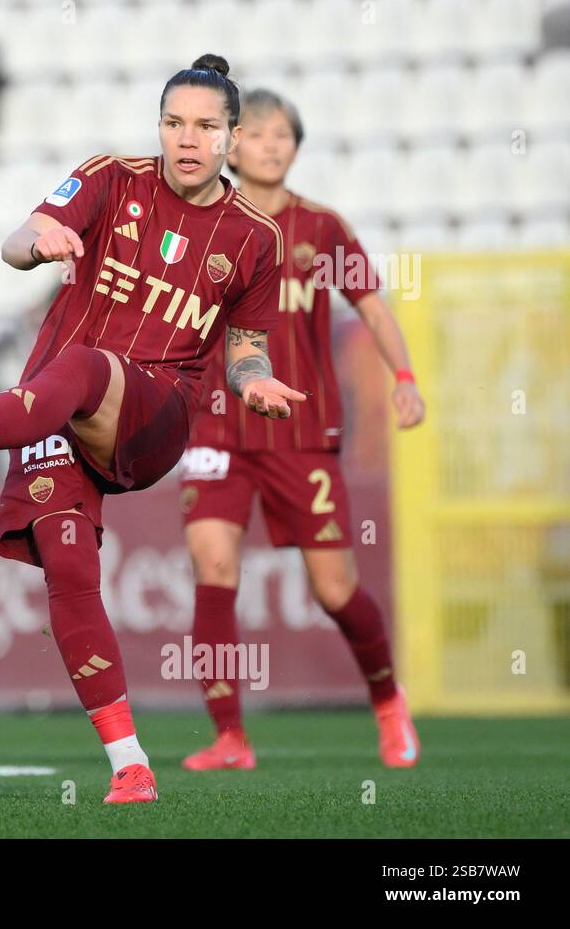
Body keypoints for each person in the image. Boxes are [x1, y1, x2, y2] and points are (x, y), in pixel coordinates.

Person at [0, 55, 304, 803]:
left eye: (206, 126)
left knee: (84, 365)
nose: (187, 138)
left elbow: (244, 353)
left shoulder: (254, 239)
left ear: (232, 139)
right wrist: (36, 243)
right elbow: (20, 239)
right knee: (71, 572)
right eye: (174, 122)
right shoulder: (111, 178)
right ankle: (130, 767)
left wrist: (255, 381)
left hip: (152, 415)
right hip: (50, 405)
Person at [178, 89, 426, 771]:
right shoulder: (202, 222)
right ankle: (230, 735)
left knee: (334, 590)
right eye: (256, 133)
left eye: (283, 134)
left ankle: (386, 700)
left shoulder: (323, 228)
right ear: (232, 143)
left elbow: (372, 307)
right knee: (213, 564)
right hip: (218, 424)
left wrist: (403, 379)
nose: (271, 144)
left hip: (300, 428)